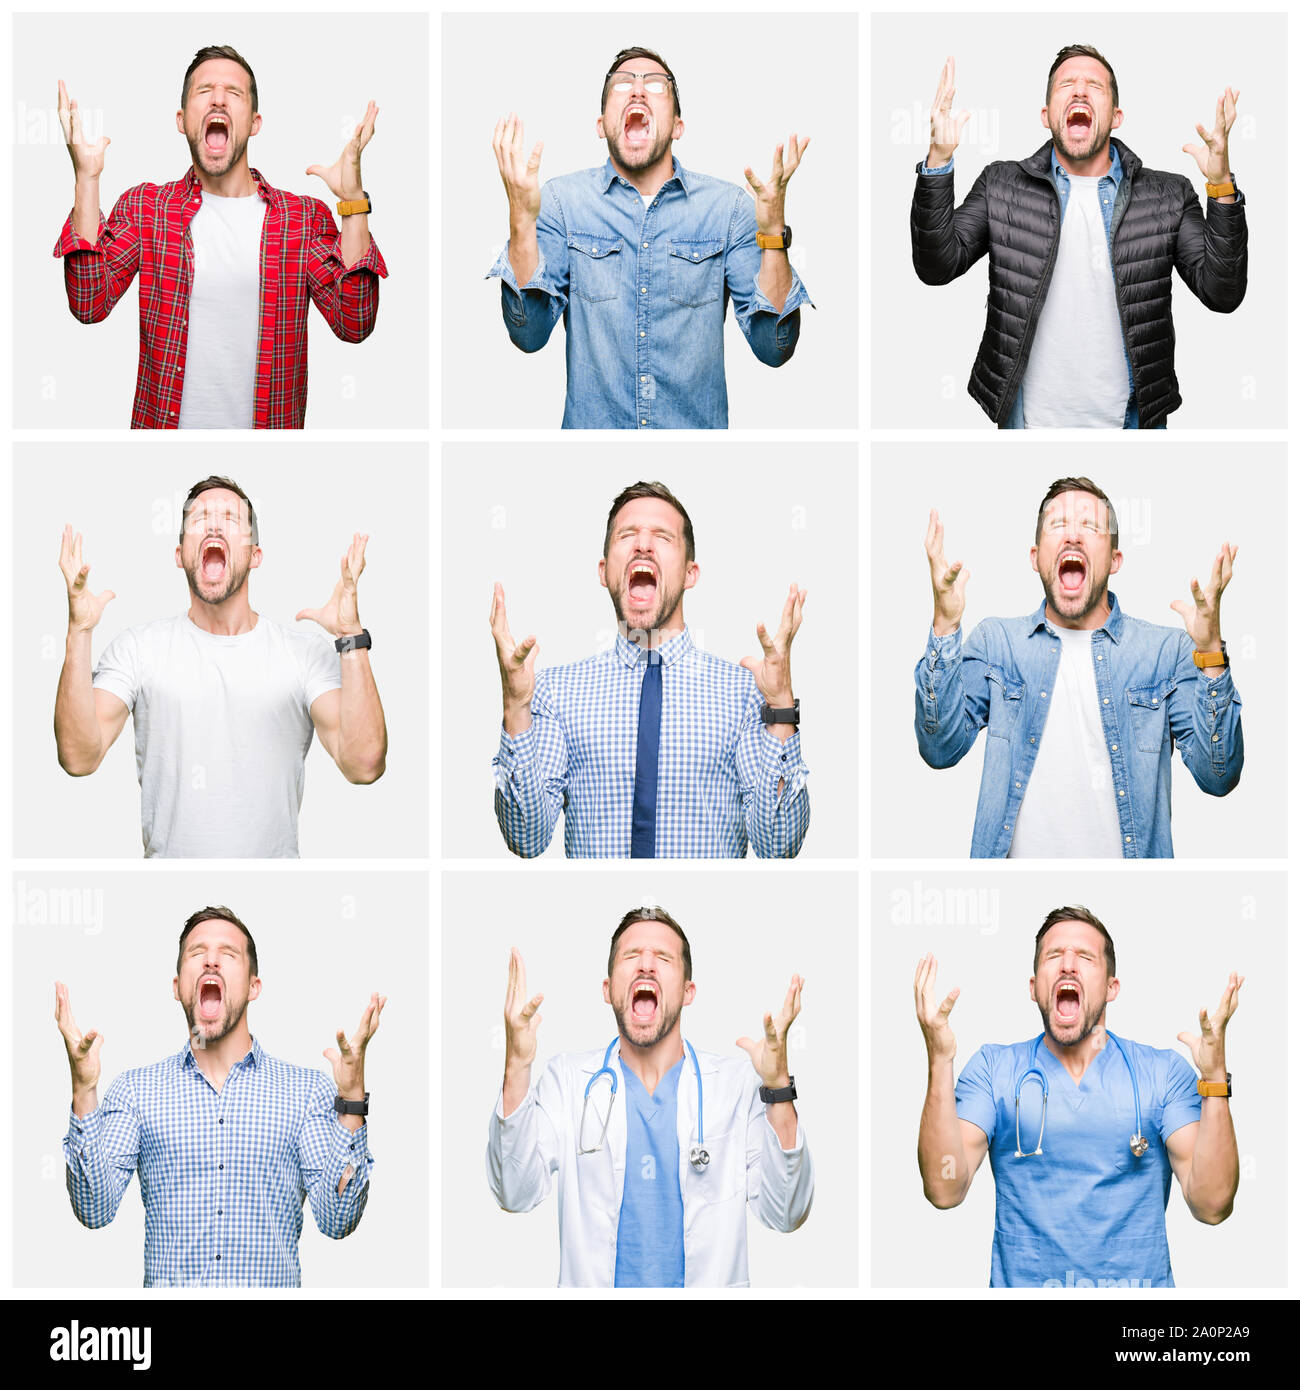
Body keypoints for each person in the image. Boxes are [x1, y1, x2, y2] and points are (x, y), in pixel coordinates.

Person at [911, 46, 1247, 428]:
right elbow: (936, 267)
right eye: (1066, 84)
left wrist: (1220, 186)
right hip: (1025, 424)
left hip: (1133, 425)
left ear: (1116, 116)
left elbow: (1223, 293)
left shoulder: (1168, 195)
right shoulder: (1001, 185)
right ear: (1045, 115)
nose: (1080, 91)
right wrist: (938, 159)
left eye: (1095, 86)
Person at [54, 45, 386, 428]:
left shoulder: (303, 218)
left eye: (234, 93)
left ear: (254, 122)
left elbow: (354, 322)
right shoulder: (146, 207)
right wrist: (86, 179)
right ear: (181, 120)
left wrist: (352, 202)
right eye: (204, 91)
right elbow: (88, 303)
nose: (218, 99)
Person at [54, 474, 387, 857]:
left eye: (230, 518)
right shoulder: (138, 649)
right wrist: (78, 631)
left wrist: (351, 636)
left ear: (255, 555)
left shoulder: (303, 654)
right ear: (179, 555)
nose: (213, 524)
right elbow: (78, 758)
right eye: (198, 519)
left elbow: (364, 765)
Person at [56, 905, 386, 1288]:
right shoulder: (136, 1091)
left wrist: (350, 1103)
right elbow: (94, 1210)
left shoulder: (305, 1092)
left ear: (253, 986)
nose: (211, 960)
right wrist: (83, 1089)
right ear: (178, 986)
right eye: (197, 953)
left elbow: (338, 1220)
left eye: (228, 954)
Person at [914, 906, 1241, 1288]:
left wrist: (1215, 1079)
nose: (1068, 965)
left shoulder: (1162, 1073)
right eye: (1054, 956)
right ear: (1034, 987)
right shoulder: (993, 1069)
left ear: (1111, 988)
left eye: (1085, 957)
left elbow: (1213, 1205)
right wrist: (939, 1059)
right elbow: (943, 1188)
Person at [916, 476, 1242, 857]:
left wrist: (1210, 656)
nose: (1073, 537)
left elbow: (1218, 777)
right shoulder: (997, 644)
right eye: (1058, 525)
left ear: (1115, 560)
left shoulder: (1165, 653)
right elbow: (939, 749)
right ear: (1035, 557)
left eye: (1090, 526)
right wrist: (944, 625)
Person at [488, 46, 812, 428]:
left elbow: (774, 348)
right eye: (622, 84)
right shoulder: (561, 203)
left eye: (657, 86)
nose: (638, 91)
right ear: (600, 123)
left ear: (677, 125)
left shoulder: (728, 209)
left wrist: (773, 230)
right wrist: (521, 223)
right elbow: (528, 334)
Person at [486, 907, 812, 1287]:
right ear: (608, 989)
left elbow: (786, 1212)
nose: (645, 965)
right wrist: (517, 1064)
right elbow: (514, 1191)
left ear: (688, 991)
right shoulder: (570, 1080)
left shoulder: (735, 1085)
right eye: (630, 956)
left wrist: (777, 1088)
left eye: (663, 958)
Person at [490, 480, 809, 857]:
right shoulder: (556, 690)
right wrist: (515, 706)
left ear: (691, 573)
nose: (643, 545)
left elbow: (779, 846)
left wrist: (781, 707)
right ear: (604, 571)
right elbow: (525, 839)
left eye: (662, 536)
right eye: (627, 535)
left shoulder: (743, 692)